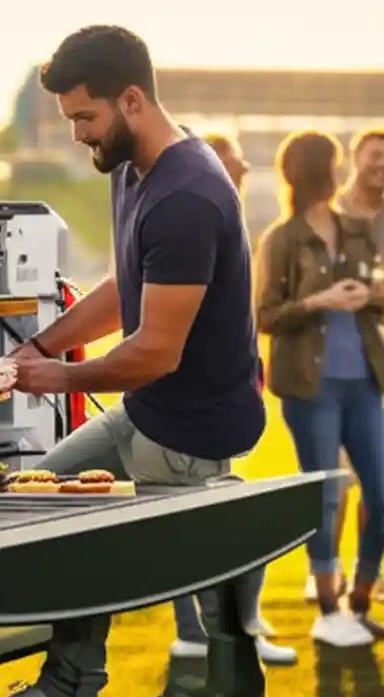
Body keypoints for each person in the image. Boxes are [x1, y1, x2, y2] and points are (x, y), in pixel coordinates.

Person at [0, 25, 266, 697]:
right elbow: (127, 287)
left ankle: (238, 542)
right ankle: (70, 696)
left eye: (84, 117)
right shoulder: (137, 168)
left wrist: (60, 379)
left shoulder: (187, 195)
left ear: (131, 99)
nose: (77, 134)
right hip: (150, 406)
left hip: (192, 427)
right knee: (40, 502)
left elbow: (155, 350)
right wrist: (38, 349)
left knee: (173, 575)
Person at [253, 130, 384, 648]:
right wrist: (321, 301)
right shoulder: (282, 239)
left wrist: (369, 296)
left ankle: (359, 602)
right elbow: (266, 316)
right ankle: (329, 607)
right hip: (310, 389)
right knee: (325, 497)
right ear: (321, 170)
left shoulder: (356, 232)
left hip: (364, 381)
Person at [168, 131, 297, 667]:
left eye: (240, 170)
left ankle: (210, 631)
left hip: (223, 398)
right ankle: (220, 632)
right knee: (222, 519)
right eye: (230, 167)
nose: (238, 175)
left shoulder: (230, 225)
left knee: (200, 517)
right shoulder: (194, 224)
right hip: (194, 406)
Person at [302, 127, 384, 604]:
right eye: (376, 155)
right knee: (330, 478)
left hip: (375, 366)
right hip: (321, 365)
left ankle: (364, 578)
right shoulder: (322, 213)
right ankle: (324, 575)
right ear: (356, 156)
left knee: (374, 478)